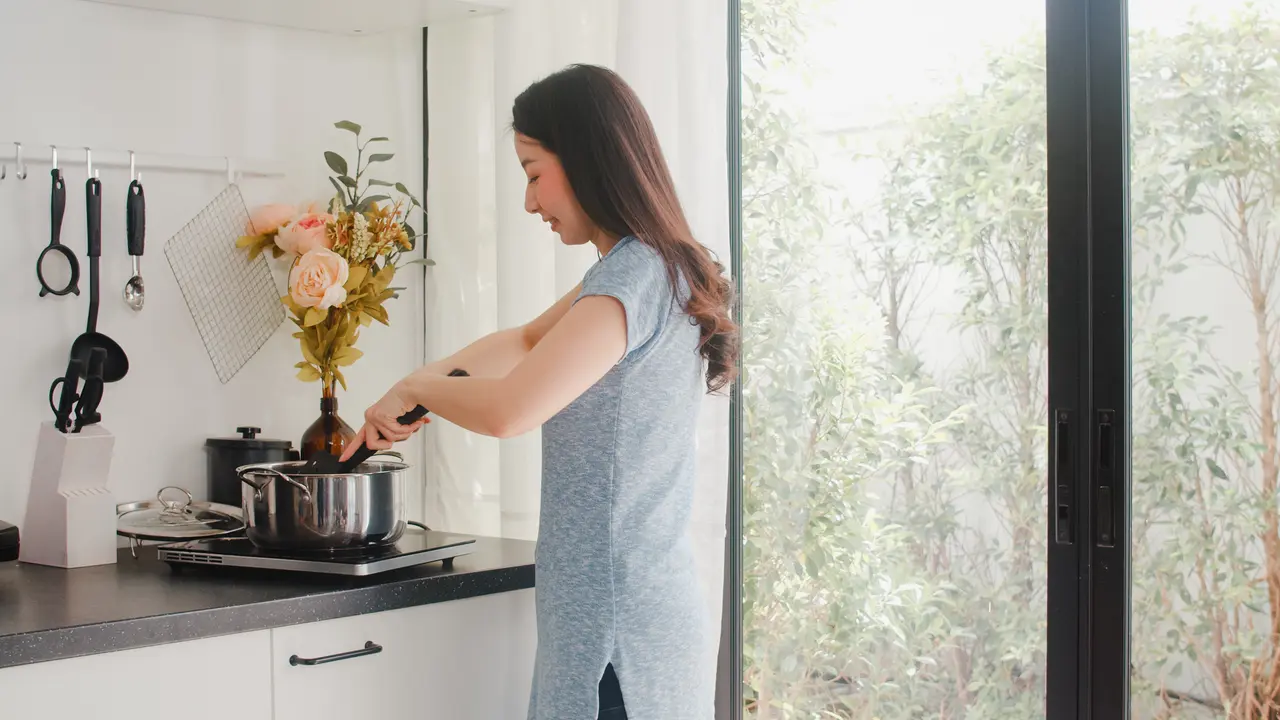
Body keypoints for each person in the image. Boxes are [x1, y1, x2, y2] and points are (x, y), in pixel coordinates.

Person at [340, 63, 738, 720]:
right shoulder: (644, 266)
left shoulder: (632, 277)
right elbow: (526, 343)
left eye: (532, 173)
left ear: (587, 158)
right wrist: (406, 392)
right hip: (621, 620)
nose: (529, 203)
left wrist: (422, 387)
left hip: (619, 638)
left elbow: (509, 410)